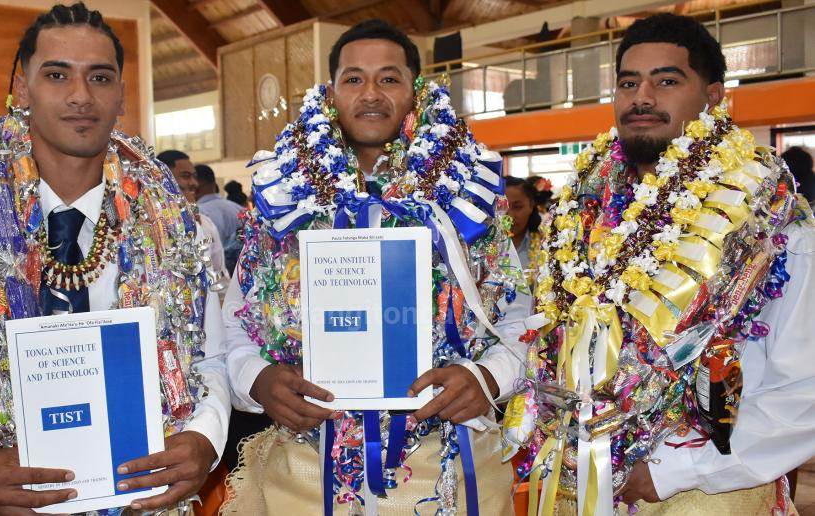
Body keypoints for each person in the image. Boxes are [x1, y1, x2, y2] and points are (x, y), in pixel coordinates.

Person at [0, 3, 230, 514]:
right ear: (24, 89)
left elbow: (211, 359)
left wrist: (205, 439)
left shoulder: (179, 225)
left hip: (148, 495)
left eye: (100, 77)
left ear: (121, 94)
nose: (81, 96)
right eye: (57, 75)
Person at [504, 13, 815, 515]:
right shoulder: (576, 214)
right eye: (628, 83)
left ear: (713, 96)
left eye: (666, 80)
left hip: (706, 489)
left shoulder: (771, 220)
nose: (641, 97)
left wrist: (675, 470)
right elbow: (539, 332)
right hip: (576, 480)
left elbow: (805, 392)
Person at [221, 19, 527, 514]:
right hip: (307, 463)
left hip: (444, 462)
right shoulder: (283, 199)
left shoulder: (466, 200)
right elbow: (237, 320)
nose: (371, 94)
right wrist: (258, 380)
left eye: (389, 78)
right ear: (330, 93)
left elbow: (516, 317)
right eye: (353, 79)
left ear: (416, 92)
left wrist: (487, 378)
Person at [157, 149, 227, 276]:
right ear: (163, 178)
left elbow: (219, 271)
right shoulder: (152, 224)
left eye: (194, 176)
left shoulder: (205, 222)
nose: (194, 183)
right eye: (185, 176)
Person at [504, 175, 551, 287]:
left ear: (531, 205)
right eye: (503, 207)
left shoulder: (545, 245)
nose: (510, 216)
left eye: (518, 207)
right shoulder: (485, 248)